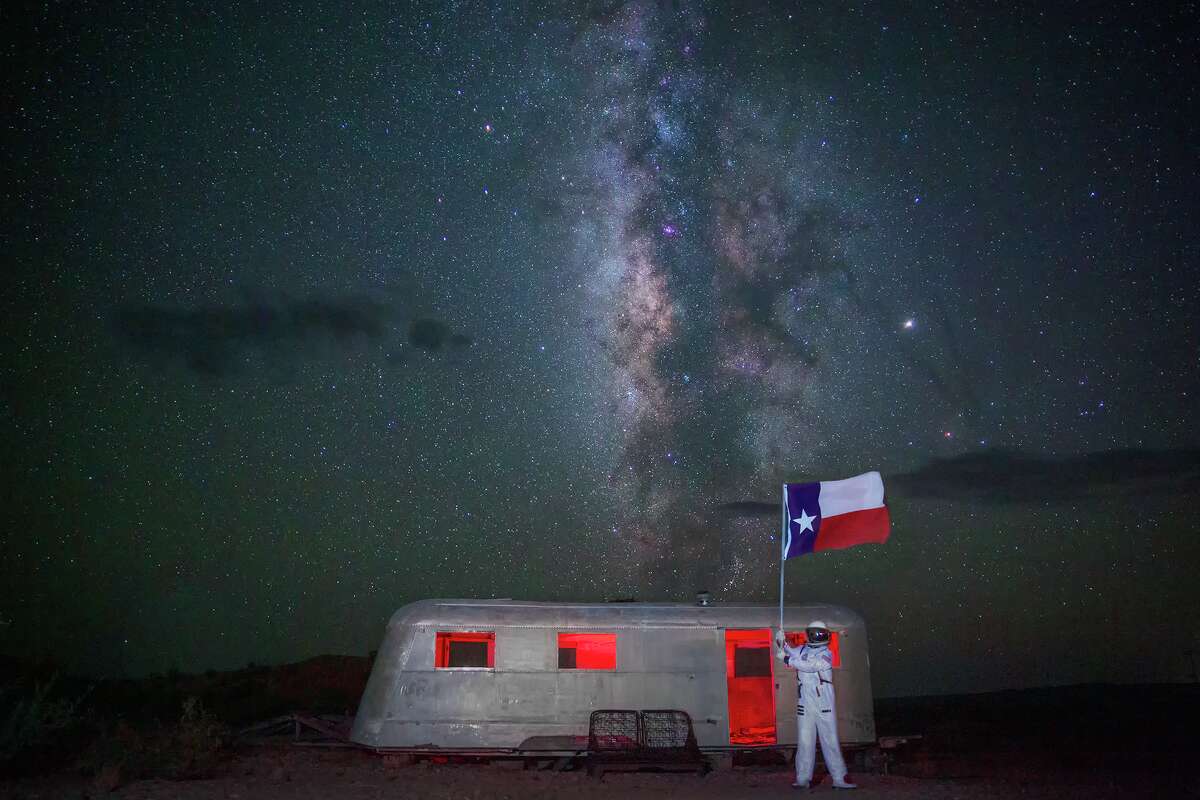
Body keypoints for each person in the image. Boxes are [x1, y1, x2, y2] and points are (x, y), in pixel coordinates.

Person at [776, 621, 857, 790]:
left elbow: (810, 666)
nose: (816, 636)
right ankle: (803, 778)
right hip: (805, 701)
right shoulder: (803, 650)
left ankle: (839, 778)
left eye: (818, 633)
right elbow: (791, 651)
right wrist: (781, 641)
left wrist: (786, 658)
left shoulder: (826, 653)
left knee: (830, 740)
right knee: (805, 741)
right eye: (814, 633)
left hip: (823, 702)